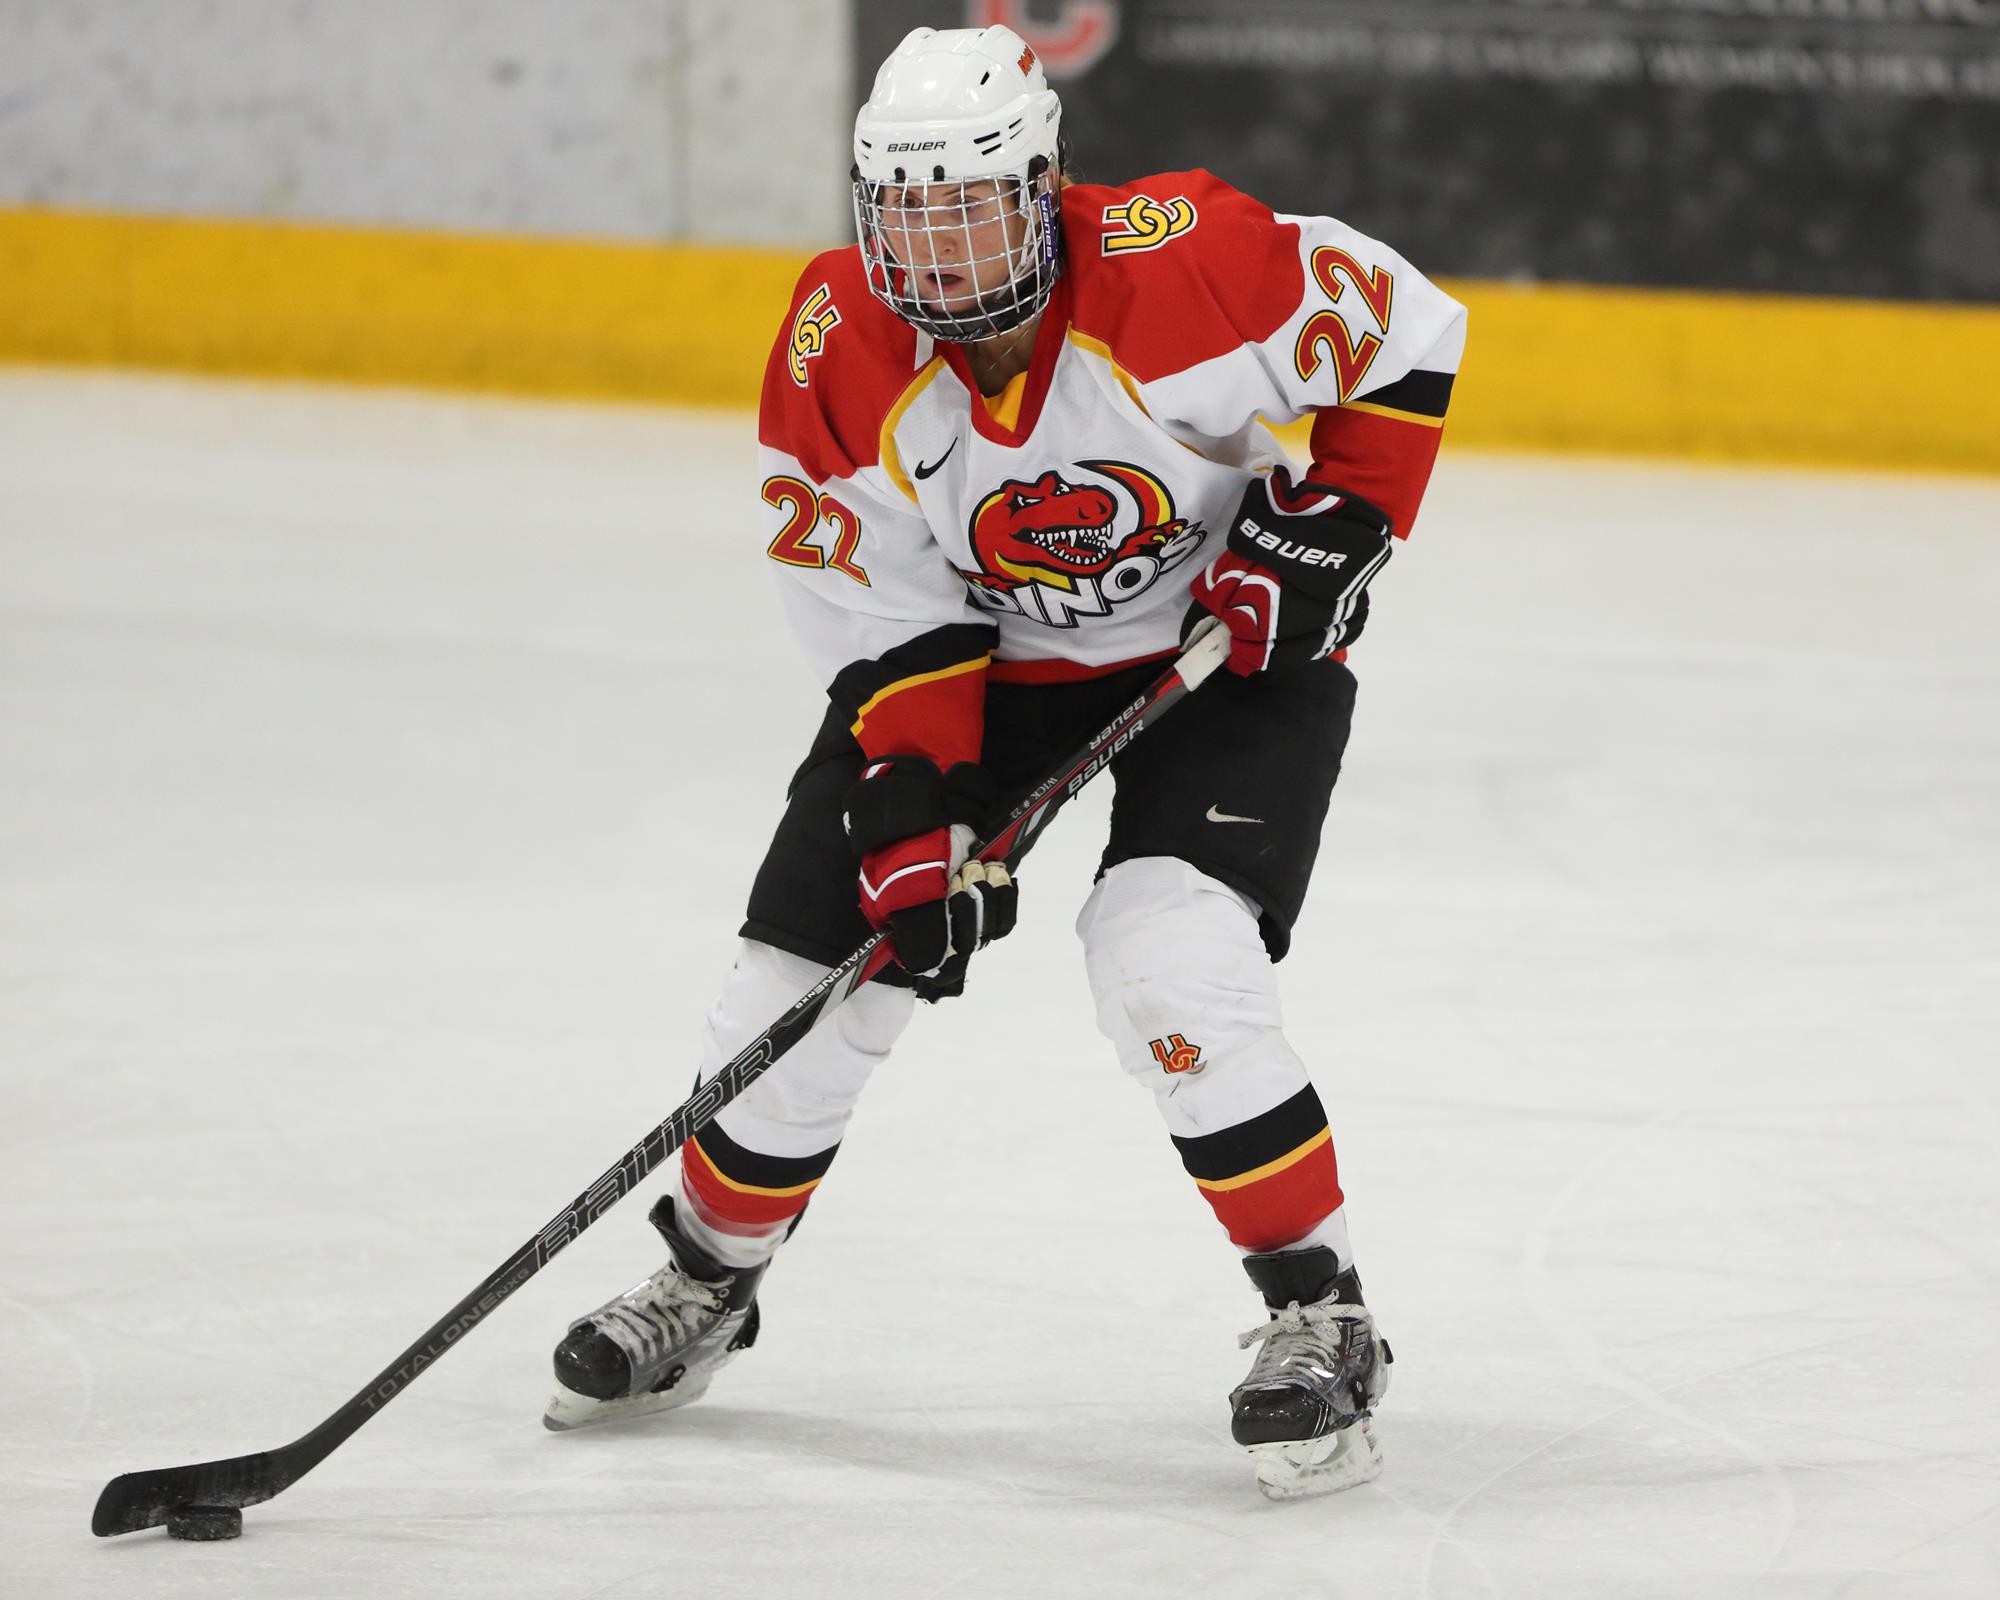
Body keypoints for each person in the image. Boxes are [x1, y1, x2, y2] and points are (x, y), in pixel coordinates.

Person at [544, 23, 1466, 1501]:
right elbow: (890, 613)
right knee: (802, 976)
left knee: (1164, 954)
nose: (941, 255)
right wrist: (911, 807)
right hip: (984, 668)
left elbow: (1413, 329)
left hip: (1221, 651)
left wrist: (1336, 525)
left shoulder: (1182, 261)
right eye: (905, 215)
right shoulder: (837, 338)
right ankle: (707, 1284)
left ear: (1044, 185)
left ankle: (1321, 1314)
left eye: (970, 208)